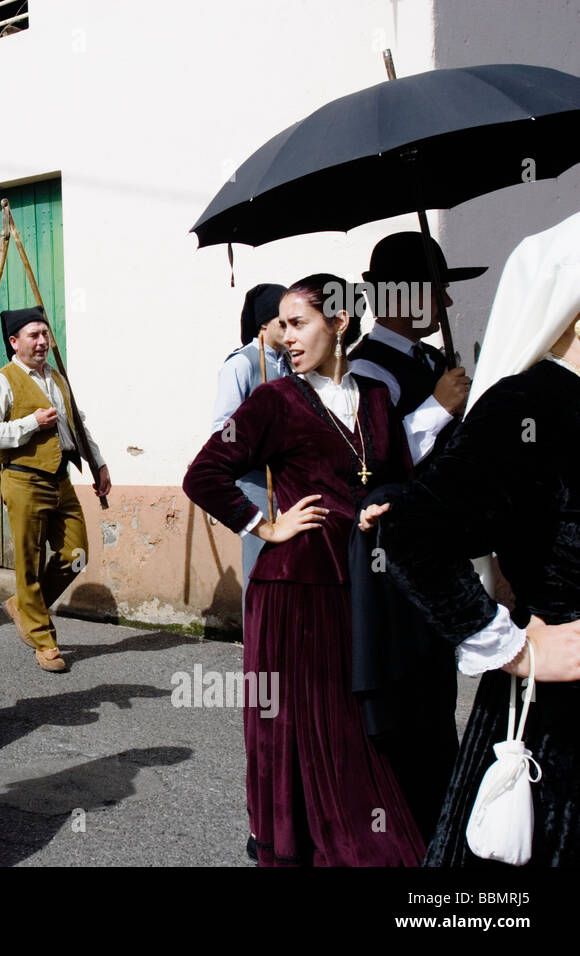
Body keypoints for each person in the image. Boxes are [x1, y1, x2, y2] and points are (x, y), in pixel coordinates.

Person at [182, 274, 451, 866]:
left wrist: (384, 506)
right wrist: (263, 525)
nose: (285, 338)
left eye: (298, 323)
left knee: (358, 719)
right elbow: (203, 475)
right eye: (281, 325)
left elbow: (400, 481)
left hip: (361, 584)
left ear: (340, 323)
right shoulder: (274, 401)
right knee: (302, 725)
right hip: (294, 588)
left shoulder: (376, 400)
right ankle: (302, 840)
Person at [366, 211, 580, 866]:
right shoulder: (532, 404)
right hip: (560, 716)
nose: (447, 301)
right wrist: (512, 648)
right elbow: (405, 509)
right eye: (435, 287)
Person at [0, 306, 110, 673]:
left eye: (44, 334)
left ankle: (23, 606)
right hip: (23, 479)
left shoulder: (59, 378)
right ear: (14, 342)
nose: (41, 341)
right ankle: (44, 639)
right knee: (29, 562)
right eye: (33, 335)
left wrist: (97, 463)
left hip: (60, 477)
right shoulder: (1, 382)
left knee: (77, 553)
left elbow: (77, 426)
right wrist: (29, 423)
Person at [349, 232, 477, 444]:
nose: (448, 302)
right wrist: (439, 406)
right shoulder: (365, 370)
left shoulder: (432, 357)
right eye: (437, 292)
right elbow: (377, 456)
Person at [210, 283, 289, 592]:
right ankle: (257, 637)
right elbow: (222, 428)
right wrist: (259, 445)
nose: (290, 328)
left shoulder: (289, 363)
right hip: (257, 480)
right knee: (260, 563)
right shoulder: (242, 364)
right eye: (283, 321)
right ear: (264, 324)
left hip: (286, 478)